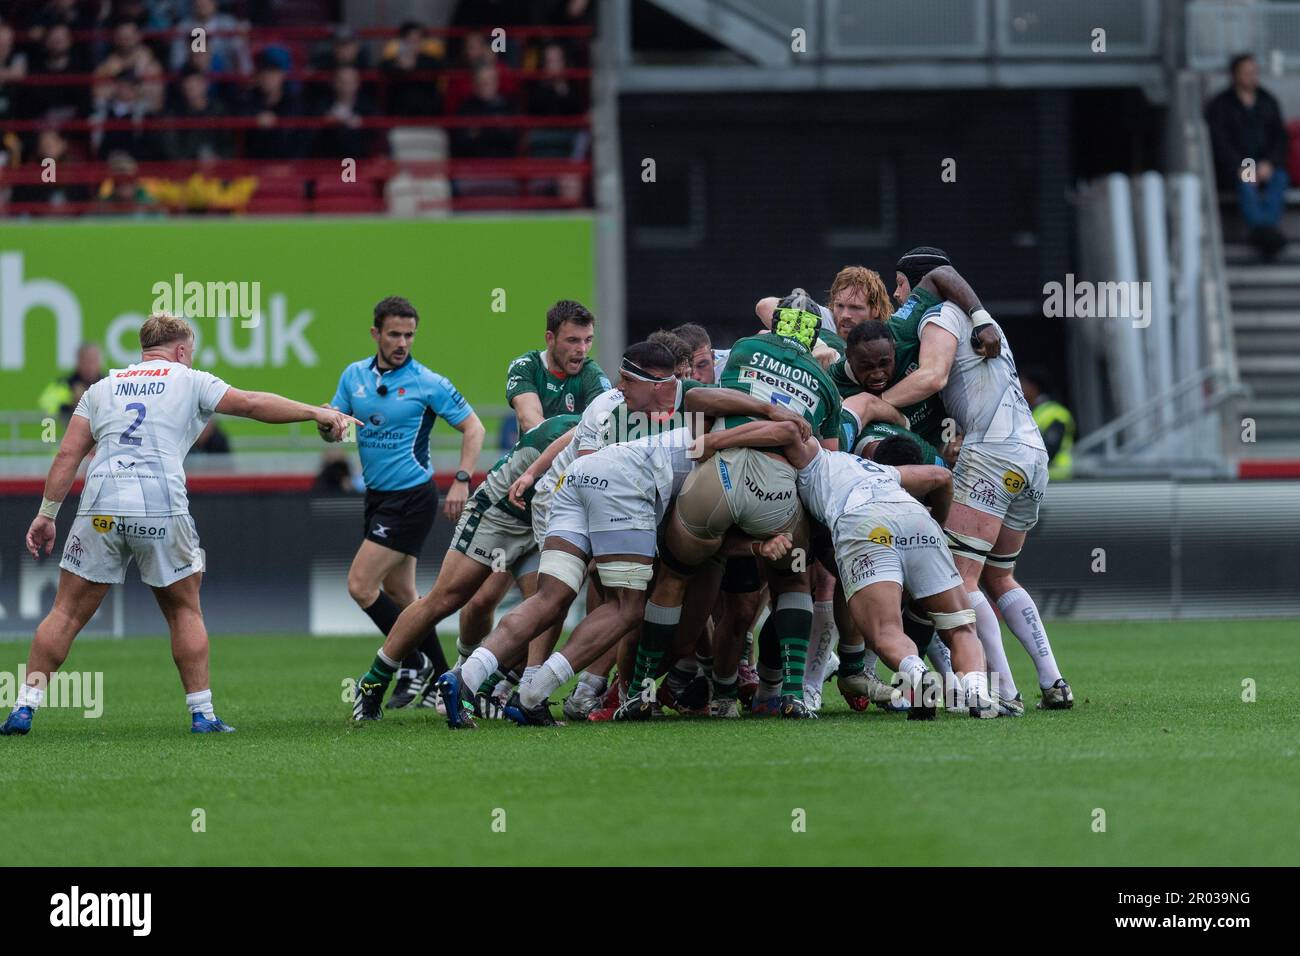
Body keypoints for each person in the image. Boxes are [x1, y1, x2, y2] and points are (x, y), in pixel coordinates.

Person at [2, 313, 359, 737]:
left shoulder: (102, 388)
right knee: (183, 610)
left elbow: (67, 455)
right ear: (182, 349)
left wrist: (46, 514)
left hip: (101, 505)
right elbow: (250, 404)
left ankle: (23, 707)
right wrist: (314, 412)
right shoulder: (189, 380)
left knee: (64, 613)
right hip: (160, 505)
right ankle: (202, 714)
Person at [350, 413, 578, 722]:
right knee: (446, 599)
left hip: (539, 520)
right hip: (499, 515)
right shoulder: (595, 424)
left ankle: (518, 694)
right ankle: (373, 683)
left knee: (548, 605)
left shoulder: (615, 424)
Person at [321, 296, 485, 709]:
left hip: (411, 497)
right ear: (375, 333)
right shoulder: (354, 376)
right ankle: (443, 680)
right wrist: (328, 424)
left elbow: (474, 428)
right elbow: (337, 428)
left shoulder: (427, 382)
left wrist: (462, 479)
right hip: (377, 497)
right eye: (394, 334)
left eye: (409, 335)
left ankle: (412, 661)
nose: (402, 343)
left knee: (360, 585)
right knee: (403, 594)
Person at [914, 299, 1074, 714]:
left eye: (901, 286)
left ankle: (1004, 689)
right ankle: (1053, 680)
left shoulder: (937, 320)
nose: (900, 296)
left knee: (959, 576)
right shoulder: (988, 328)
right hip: (1032, 458)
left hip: (993, 455)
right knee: (1001, 576)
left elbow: (932, 378)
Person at [1206, 53, 1290, 259]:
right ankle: (1265, 231)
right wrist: (1240, 166)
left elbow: (1280, 138)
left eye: (1254, 72)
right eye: (1246, 72)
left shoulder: (1268, 101)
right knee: (1246, 180)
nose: (1252, 76)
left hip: (1265, 163)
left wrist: (1270, 163)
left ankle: (1263, 230)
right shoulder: (1221, 104)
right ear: (1235, 75)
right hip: (1239, 164)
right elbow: (1220, 142)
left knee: (1280, 178)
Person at [505, 299, 609, 433]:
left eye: (588, 340)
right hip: (539, 448)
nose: (582, 349)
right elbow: (530, 423)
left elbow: (605, 424)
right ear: (550, 339)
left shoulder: (592, 374)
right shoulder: (526, 366)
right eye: (573, 340)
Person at [1019, 365, 1074, 481]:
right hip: (1038, 479)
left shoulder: (1056, 413)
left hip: (1057, 478)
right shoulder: (1028, 411)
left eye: (1023, 383)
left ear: (1034, 387)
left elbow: (1049, 450)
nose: (1019, 388)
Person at [38, 342, 105, 420]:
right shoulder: (62, 384)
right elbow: (45, 406)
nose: (90, 366)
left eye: (93, 360)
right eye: (85, 361)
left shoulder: (110, 384)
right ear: (78, 362)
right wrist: (72, 402)